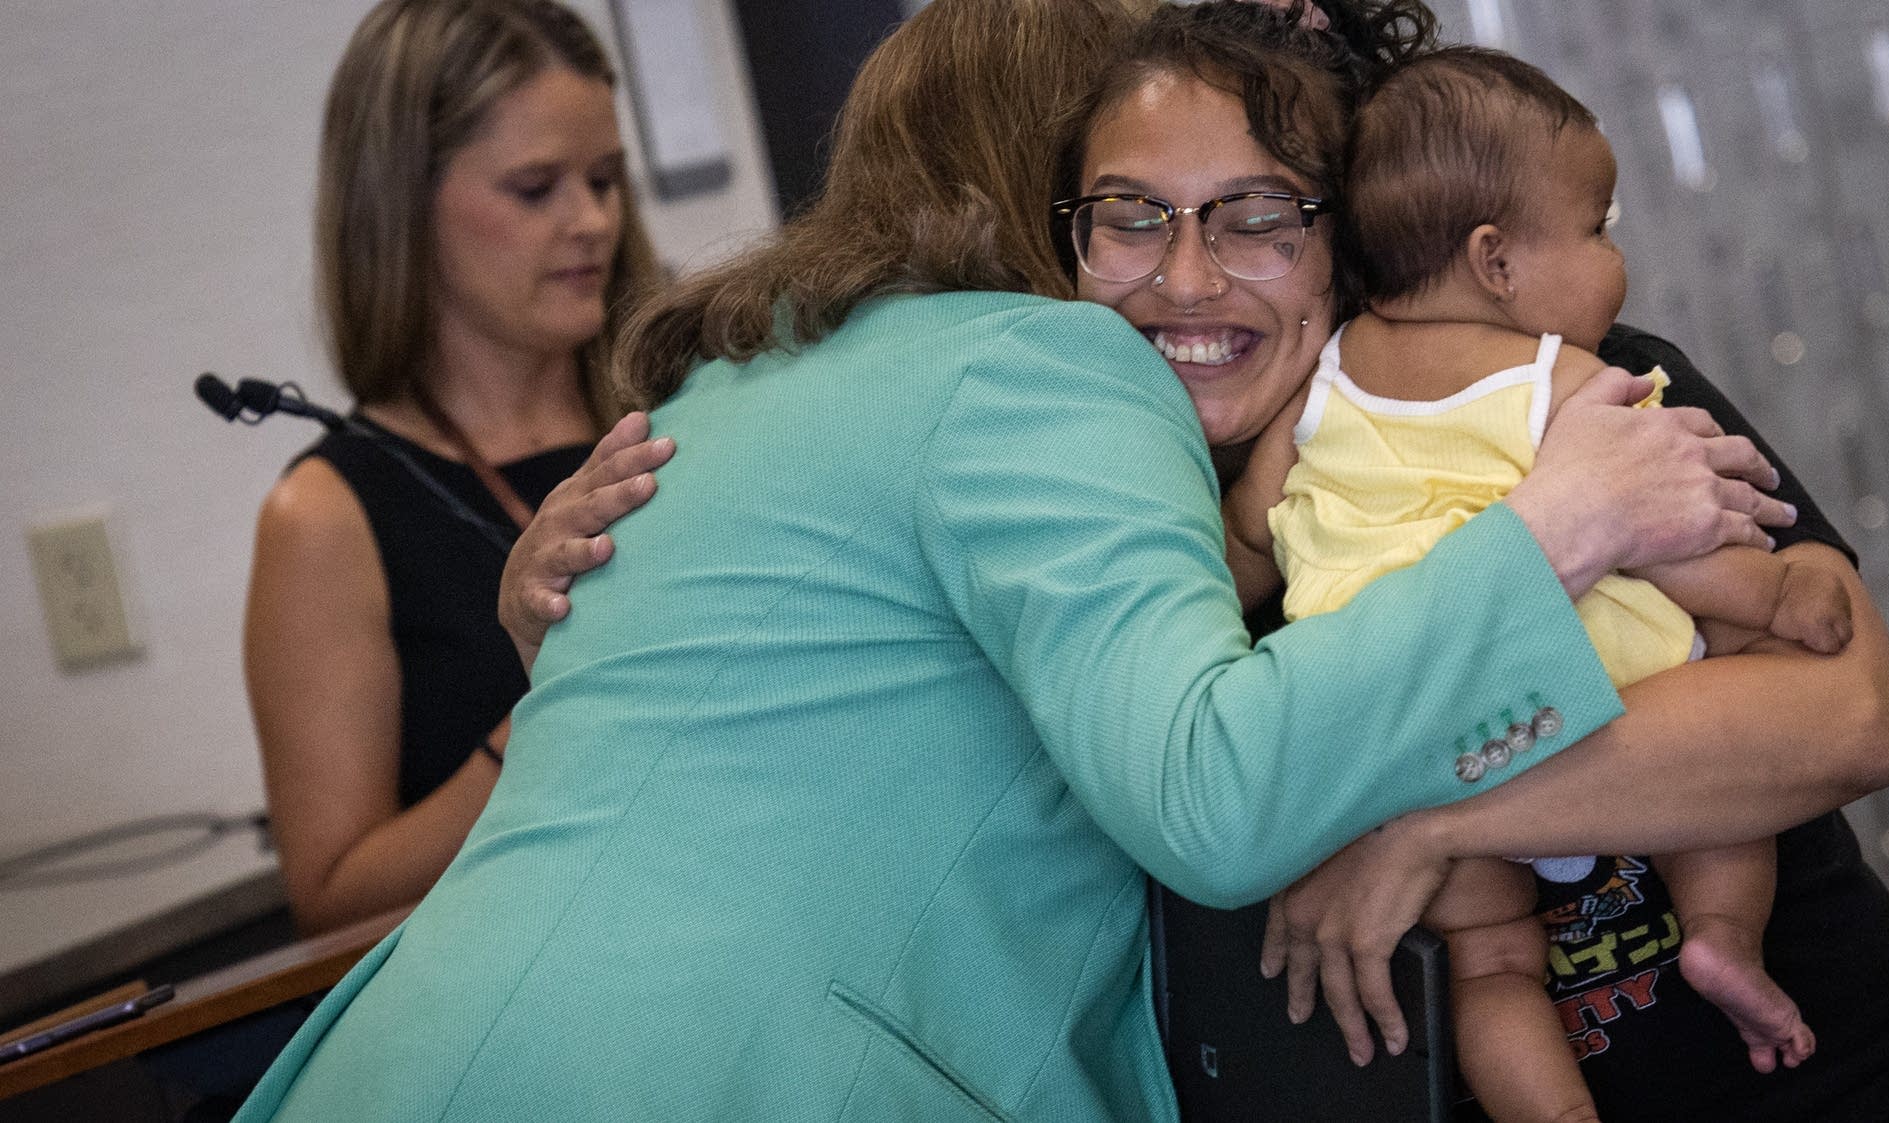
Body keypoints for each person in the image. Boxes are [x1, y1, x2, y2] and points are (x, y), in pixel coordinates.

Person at [232, 0, 1794, 1117]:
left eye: (1253, 210)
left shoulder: (738, 381)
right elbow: (1210, 789)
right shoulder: (1040, 366)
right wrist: (1559, 524)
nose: (1181, 261)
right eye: (1127, 202)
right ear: (1052, 175)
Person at [1218, 46, 1839, 1120]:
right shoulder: (1556, 374)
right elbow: (1656, 524)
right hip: (1588, 687)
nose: (1614, 258)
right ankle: (1723, 941)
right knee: (1718, 817)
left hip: (1419, 735)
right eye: (1597, 226)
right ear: (1492, 260)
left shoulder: (1314, 397)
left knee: (1492, 964)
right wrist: (1769, 599)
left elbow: (1244, 538)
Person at [243, 0, 662, 936]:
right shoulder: (327, 516)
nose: (591, 219)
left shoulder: (677, 405)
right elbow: (335, 896)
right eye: (534, 187)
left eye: (605, 178)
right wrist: (551, 713)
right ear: (401, 203)